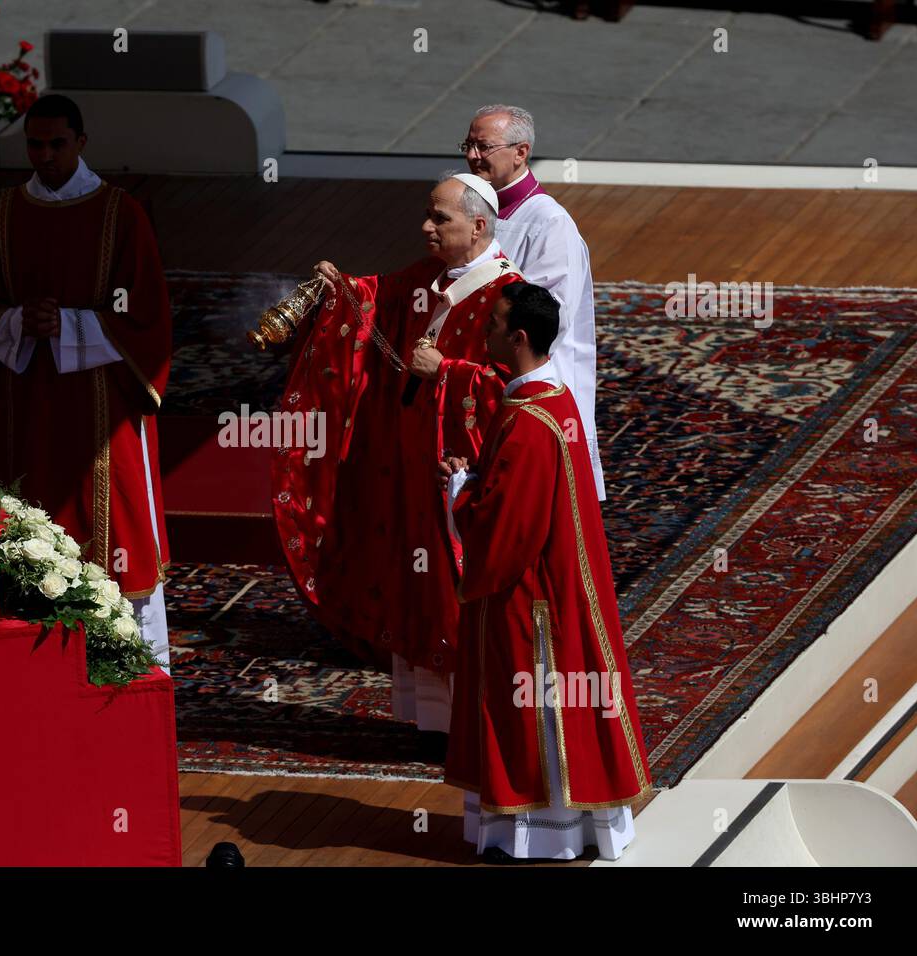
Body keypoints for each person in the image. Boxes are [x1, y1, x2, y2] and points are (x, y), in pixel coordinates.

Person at [275, 173, 523, 755]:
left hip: (462, 470)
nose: (426, 227)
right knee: (420, 581)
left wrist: (448, 372)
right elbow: (374, 298)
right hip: (413, 462)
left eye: (441, 219)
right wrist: (341, 290)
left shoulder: (509, 296)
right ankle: (437, 723)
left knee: (456, 586)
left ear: (479, 227)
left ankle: (477, 721)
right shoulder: (425, 279)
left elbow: (519, 386)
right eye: (429, 216)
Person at [441, 282, 652, 862]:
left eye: (494, 325)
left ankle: (536, 833)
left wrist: (461, 492)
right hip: (563, 583)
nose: (485, 333)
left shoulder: (532, 422)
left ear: (521, 337)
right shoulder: (553, 400)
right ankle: (578, 826)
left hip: (531, 598)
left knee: (534, 707)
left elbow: (506, 532)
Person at [0, 95, 172, 670]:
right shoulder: (2, 211)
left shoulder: (119, 214)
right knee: (24, 510)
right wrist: (13, 320)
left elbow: (149, 316)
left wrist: (74, 323)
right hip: (25, 393)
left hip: (102, 398)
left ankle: (132, 664)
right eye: (35, 144)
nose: (45, 155)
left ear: (81, 143)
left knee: (113, 524)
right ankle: (31, 659)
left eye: (57, 144)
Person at [461, 105, 604, 499]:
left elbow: (547, 316)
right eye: (468, 145)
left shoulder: (549, 224)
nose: (473, 156)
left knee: (530, 502)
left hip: (533, 385)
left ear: (520, 152)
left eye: (483, 147)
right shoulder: (471, 210)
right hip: (484, 374)